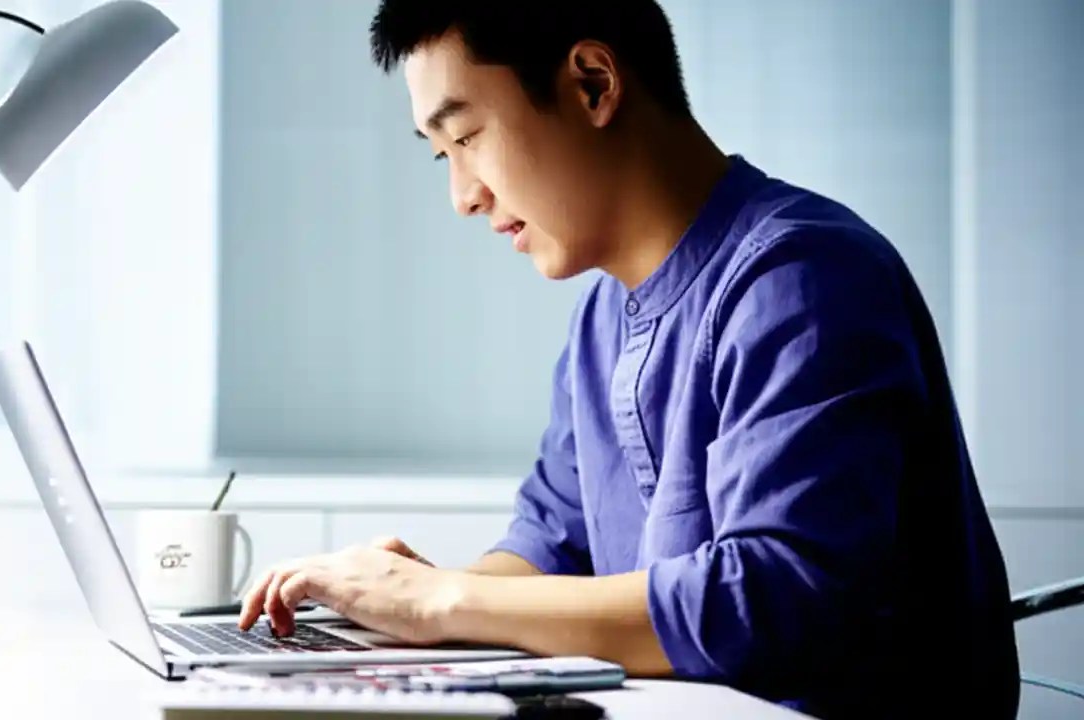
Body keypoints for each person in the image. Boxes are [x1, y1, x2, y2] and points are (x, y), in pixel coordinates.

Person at [238, 1, 1021, 717]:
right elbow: (552, 552)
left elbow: (780, 599)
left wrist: (446, 602)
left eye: (467, 136)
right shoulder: (601, 318)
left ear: (591, 84)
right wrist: (402, 603)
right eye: (439, 152)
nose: (462, 195)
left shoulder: (803, 277)